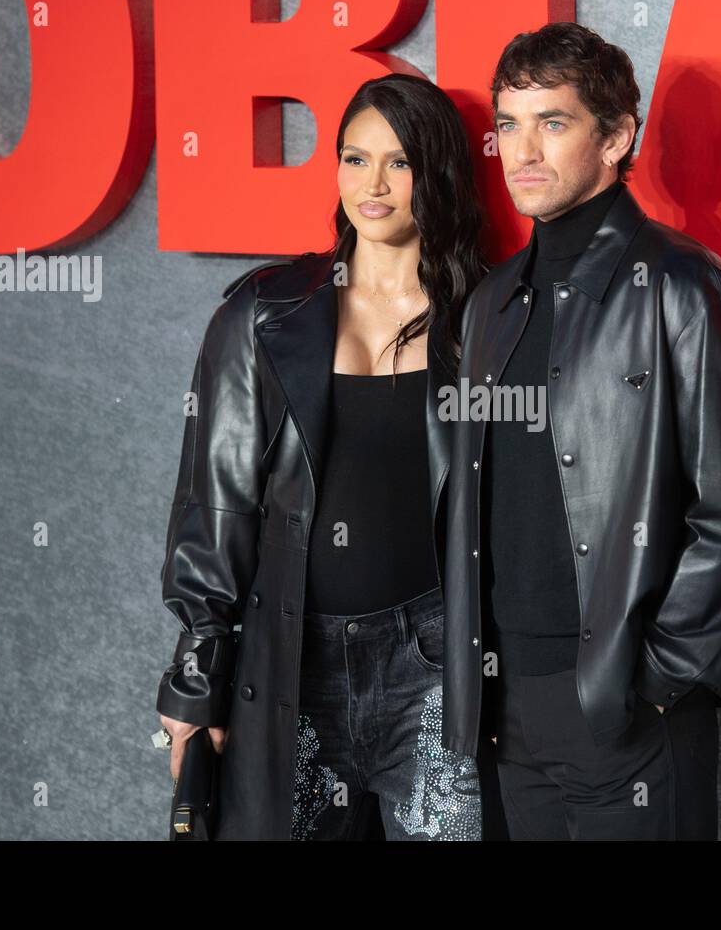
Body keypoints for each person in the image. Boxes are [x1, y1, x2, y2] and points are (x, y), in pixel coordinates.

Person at [439, 22, 721, 840]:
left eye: (553, 122)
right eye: (508, 125)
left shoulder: (691, 292)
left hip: (626, 710)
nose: (523, 150)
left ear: (618, 136)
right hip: (503, 708)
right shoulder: (492, 303)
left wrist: (658, 678)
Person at [154, 73, 489, 840]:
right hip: (292, 664)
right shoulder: (265, 314)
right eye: (354, 158)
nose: (372, 184)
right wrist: (197, 681)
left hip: (436, 666)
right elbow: (215, 506)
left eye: (399, 163)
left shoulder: (488, 323)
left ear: (436, 174)